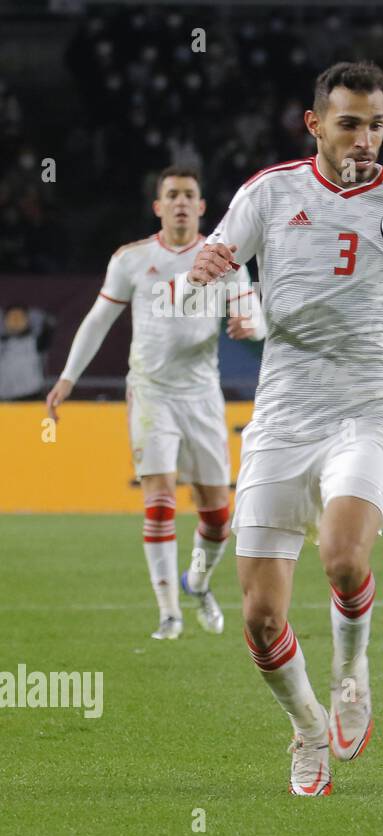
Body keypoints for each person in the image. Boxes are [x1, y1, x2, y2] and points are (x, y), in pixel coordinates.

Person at [188, 61, 383, 796]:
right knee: (259, 616)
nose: (365, 138)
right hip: (282, 413)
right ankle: (308, 728)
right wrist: (210, 271)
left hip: (367, 407)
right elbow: (214, 268)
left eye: (376, 124)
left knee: (344, 557)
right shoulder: (270, 193)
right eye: (349, 123)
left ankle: (350, 675)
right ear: (315, 124)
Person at [44, 166, 264, 640]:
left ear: (203, 207)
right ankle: (169, 612)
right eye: (172, 195)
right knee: (160, 500)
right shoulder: (131, 260)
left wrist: (251, 327)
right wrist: (66, 377)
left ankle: (198, 583)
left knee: (217, 516)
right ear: (158, 206)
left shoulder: (224, 260)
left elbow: (257, 319)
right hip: (150, 392)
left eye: (189, 195)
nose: (181, 202)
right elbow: (98, 319)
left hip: (203, 395)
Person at [0, 305, 55, 401]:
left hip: (31, 397)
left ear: (27, 320)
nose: (16, 321)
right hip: (4, 399)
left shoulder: (35, 341)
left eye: (20, 318)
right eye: (12, 318)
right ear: (5, 321)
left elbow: (50, 326)